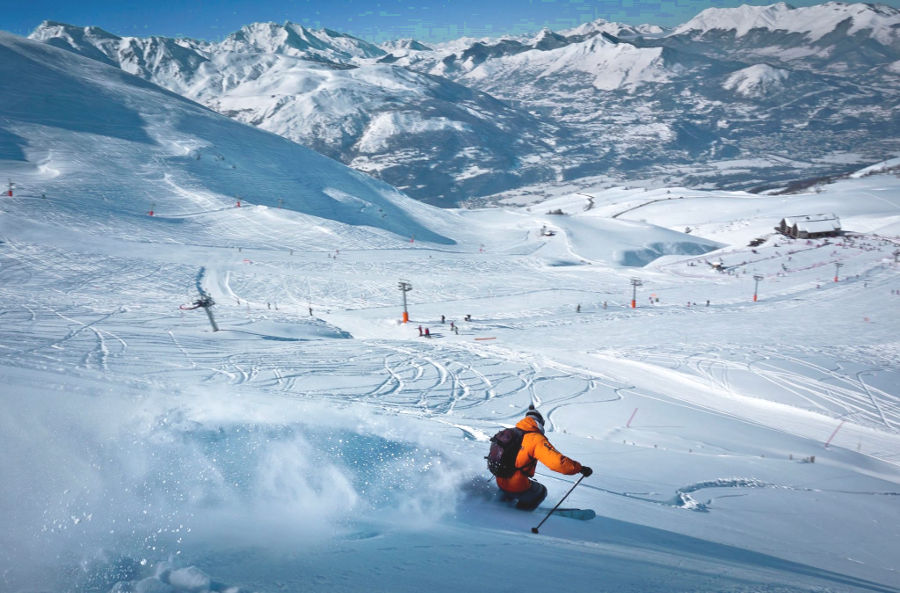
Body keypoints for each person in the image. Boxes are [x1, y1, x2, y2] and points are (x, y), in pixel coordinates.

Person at [496, 405, 592, 511]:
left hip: (500, 480)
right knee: (541, 492)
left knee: (517, 481)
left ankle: (505, 499)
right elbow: (558, 463)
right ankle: (521, 513)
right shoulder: (536, 439)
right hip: (516, 485)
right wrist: (579, 468)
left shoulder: (510, 433)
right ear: (539, 423)